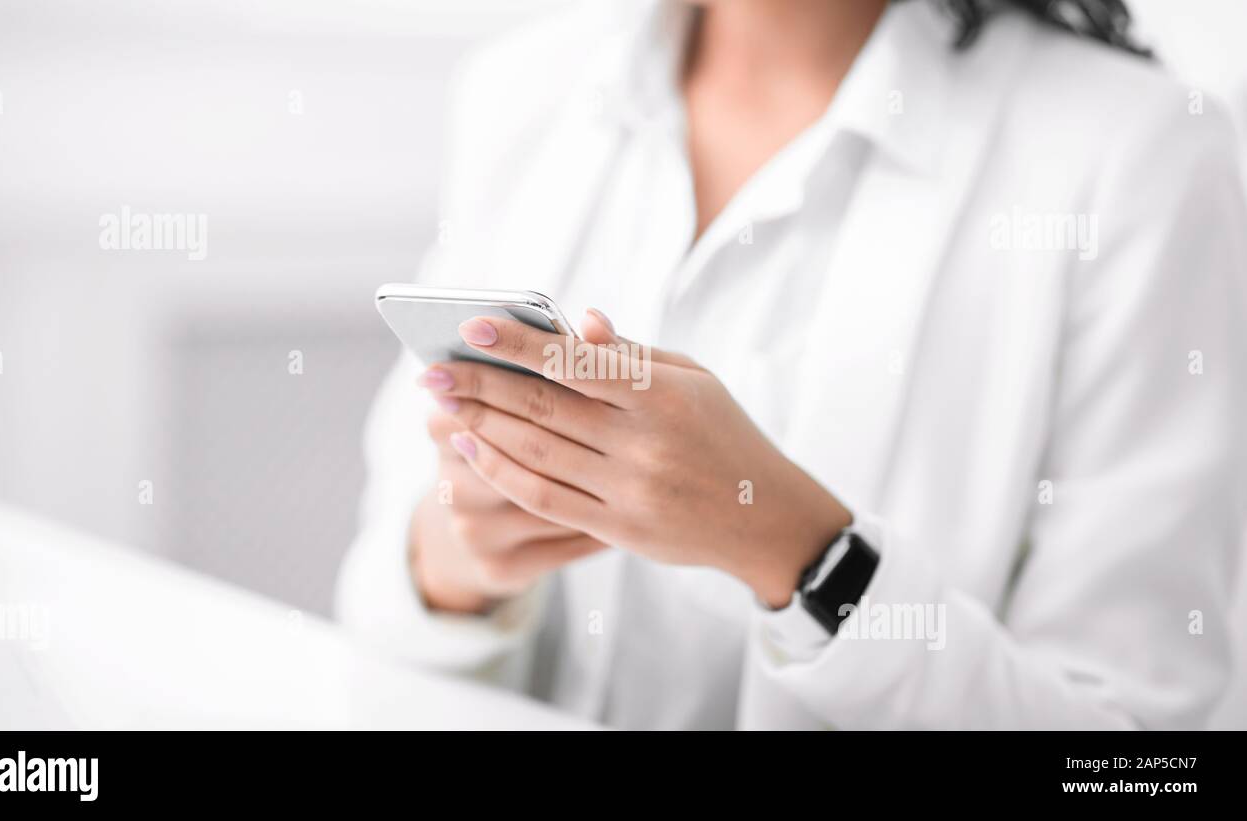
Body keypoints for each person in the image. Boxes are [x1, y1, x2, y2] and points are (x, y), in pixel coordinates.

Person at [337, 0, 1246, 729]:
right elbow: (378, 596)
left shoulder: (1143, 157)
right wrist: (453, 566)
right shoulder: (524, 86)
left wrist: (801, 552)